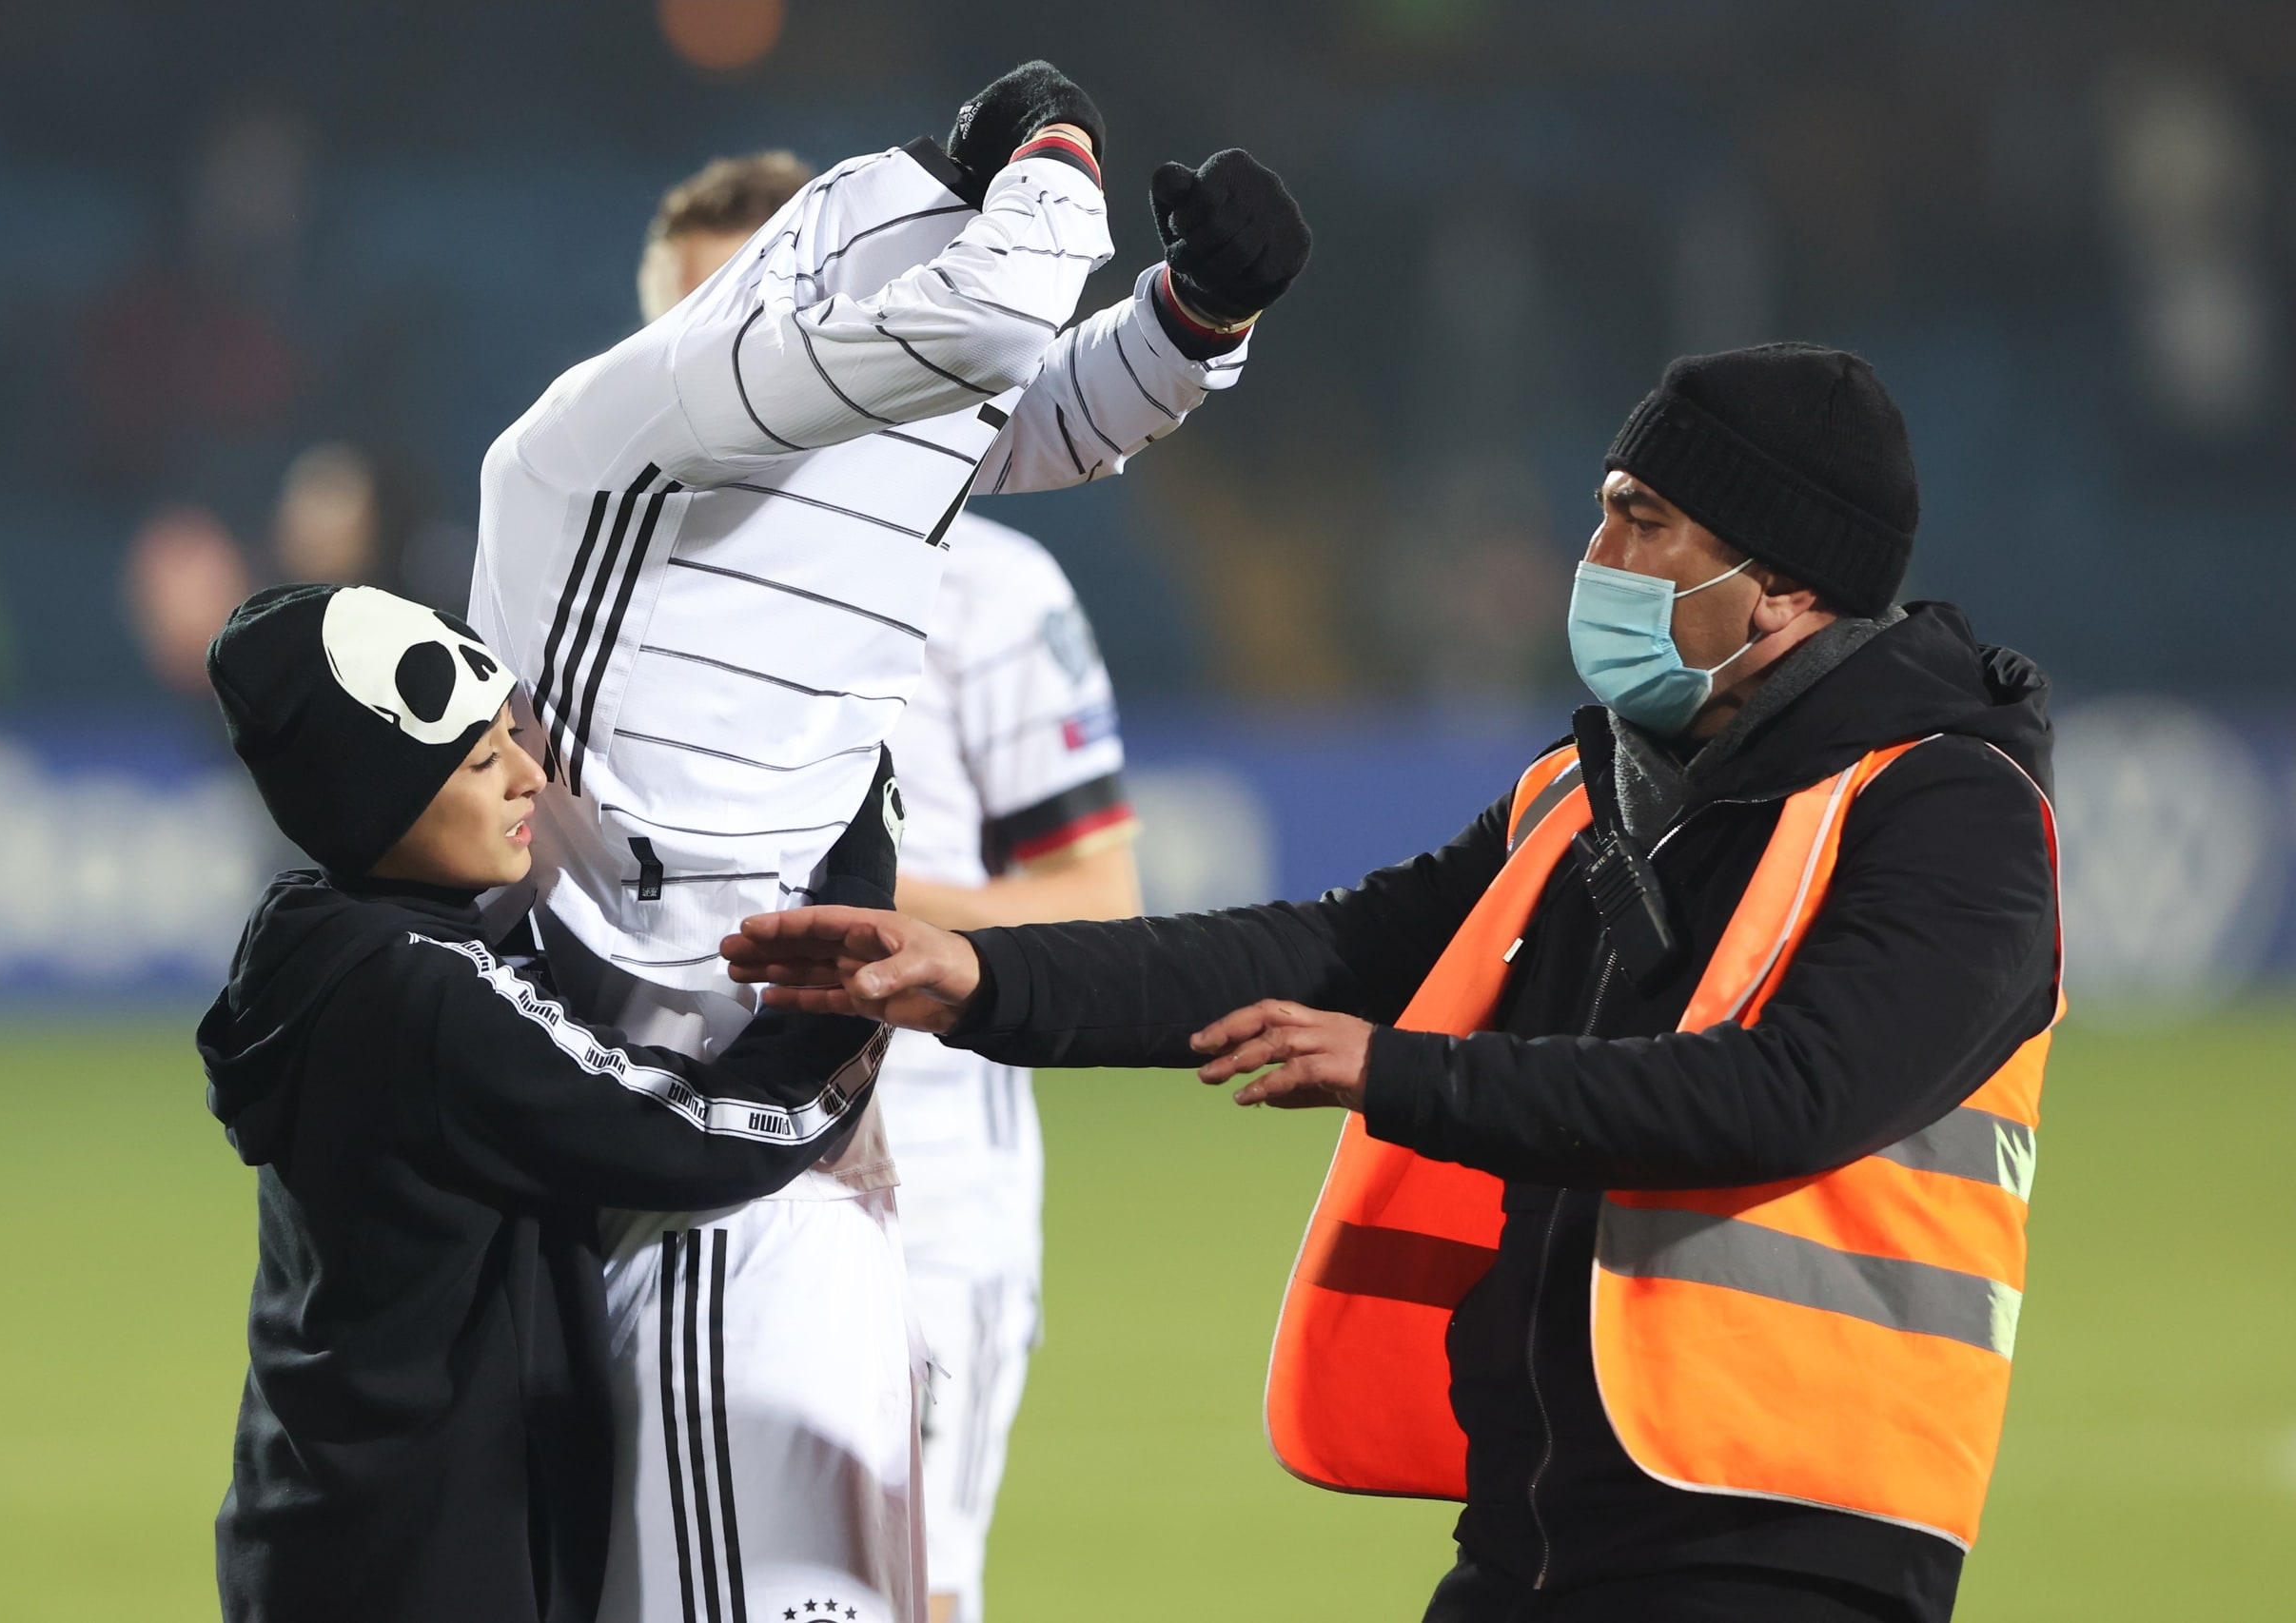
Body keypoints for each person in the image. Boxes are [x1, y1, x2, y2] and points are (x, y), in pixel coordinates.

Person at [726, 343, 2064, 1623]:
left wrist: (1398, 1070)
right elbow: (1320, 949)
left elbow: (1793, 1091)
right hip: (1542, 1516)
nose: (1593, 556)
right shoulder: (1588, 789)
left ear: (1779, 585)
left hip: (1783, 1534)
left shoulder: (1949, 807)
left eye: (1638, 519)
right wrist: (974, 977)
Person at [471, 61, 1304, 1623]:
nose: (839, 363)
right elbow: (982, 340)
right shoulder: (606, 444)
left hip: (878, 1164)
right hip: (689, 1163)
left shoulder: (920, 525)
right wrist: (1049, 158)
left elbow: (1025, 403)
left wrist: (1194, 319)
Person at [637, 151, 1146, 1623]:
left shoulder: (992, 591)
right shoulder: (617, 575)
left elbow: (1098, 903)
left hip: (925, 1202)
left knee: (890, 1598)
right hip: (671, 1178)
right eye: (693, 328)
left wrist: (852, 898)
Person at [198, 582, 893, 1623]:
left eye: (511, 735)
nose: (533, 772)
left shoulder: (317, 936)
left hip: (325, 1528)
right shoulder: (420, 993)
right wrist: (860, 943)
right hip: (419, 1564)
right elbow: (706, 1137)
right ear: (375, 797)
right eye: (482, 760)